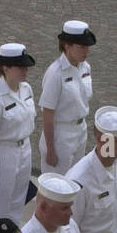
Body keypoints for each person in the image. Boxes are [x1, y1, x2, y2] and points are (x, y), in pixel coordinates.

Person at [38, 21, 95, 174]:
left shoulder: (85, 67)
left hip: (81, 131)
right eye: (82, 47)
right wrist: (50, 149)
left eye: (87, 46)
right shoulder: (55, 73)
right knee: (56, 185)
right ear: (67, 45)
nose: (87, 51)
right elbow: (48, 113)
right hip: (61, 135)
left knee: (75, 179)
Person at [0, 43, 37, 224]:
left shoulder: (26, 89)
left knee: (18, 202)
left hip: (25, 149)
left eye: (26, 67)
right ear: (5, 68)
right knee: (0, 205)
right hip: (4, 153)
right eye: (20, 67)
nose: (25, 71)